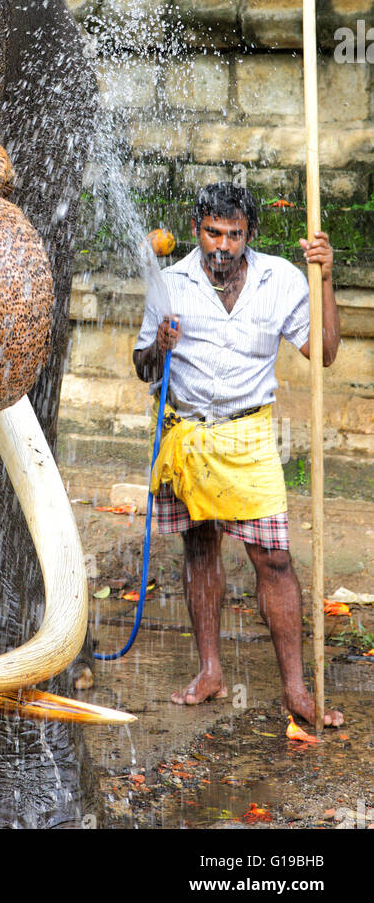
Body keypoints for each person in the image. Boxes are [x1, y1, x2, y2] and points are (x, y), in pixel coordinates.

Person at [133, 181, 343, 727]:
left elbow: (323, 352)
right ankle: (210, 672)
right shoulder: (170, 282)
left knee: (273, 560)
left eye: (233, 234)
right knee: (200, 550)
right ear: (198, 229)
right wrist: (160, 344)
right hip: (189, 436)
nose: (222, 245)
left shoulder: (282, 279)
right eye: (211, 232)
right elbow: (145, 367)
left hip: (249, 437)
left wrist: (327, 277)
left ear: (249, 235)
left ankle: (297, 690)